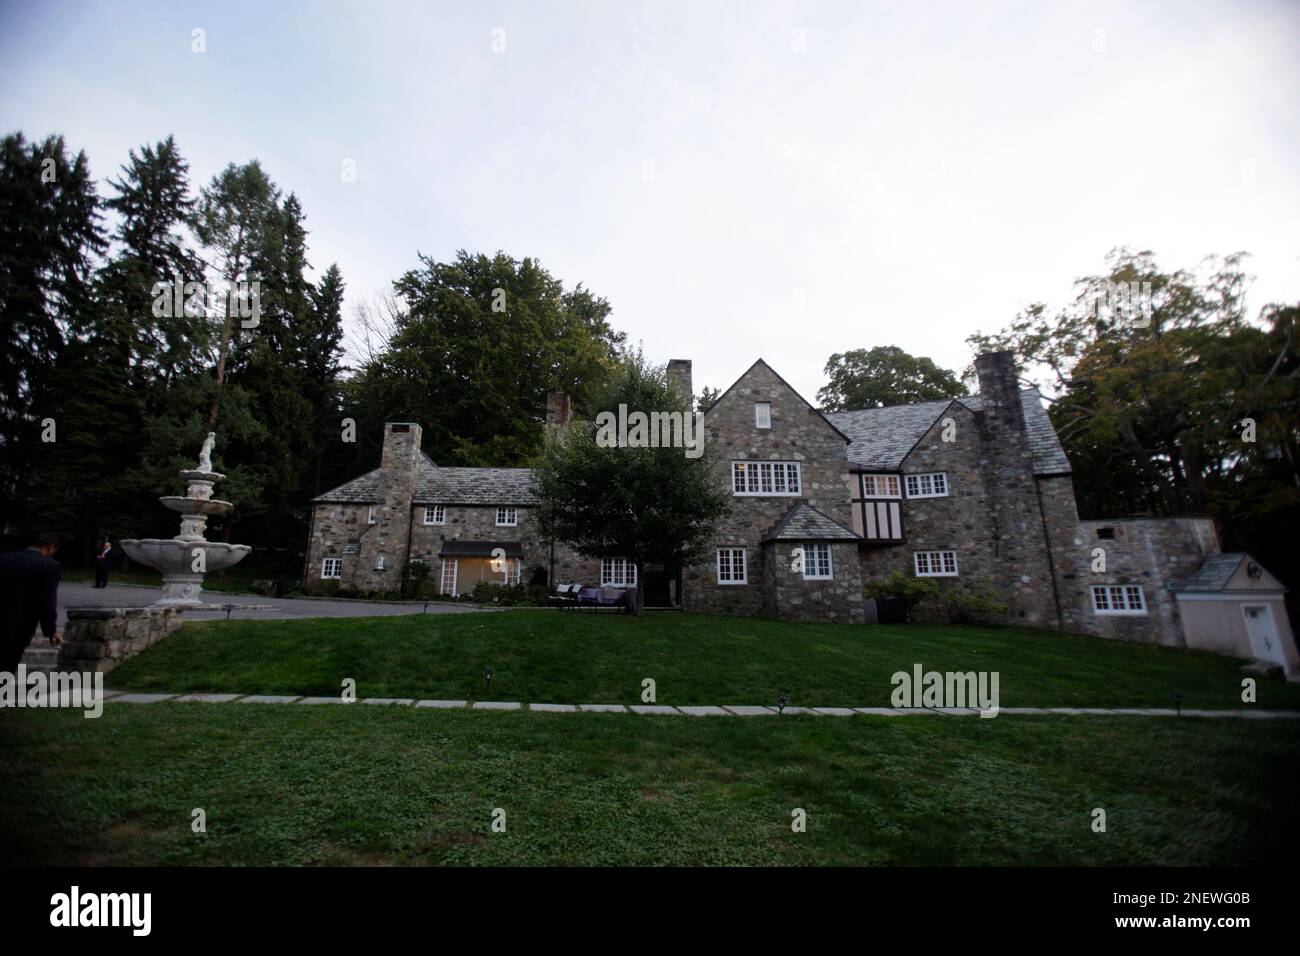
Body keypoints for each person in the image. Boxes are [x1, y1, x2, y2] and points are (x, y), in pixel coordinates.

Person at [0, 532, 63, 674]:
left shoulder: (4, 558)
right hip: (21, 622)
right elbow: (47, 602)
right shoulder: (49, 566)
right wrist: (50, 631)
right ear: (50, 547)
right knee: (8, 661)